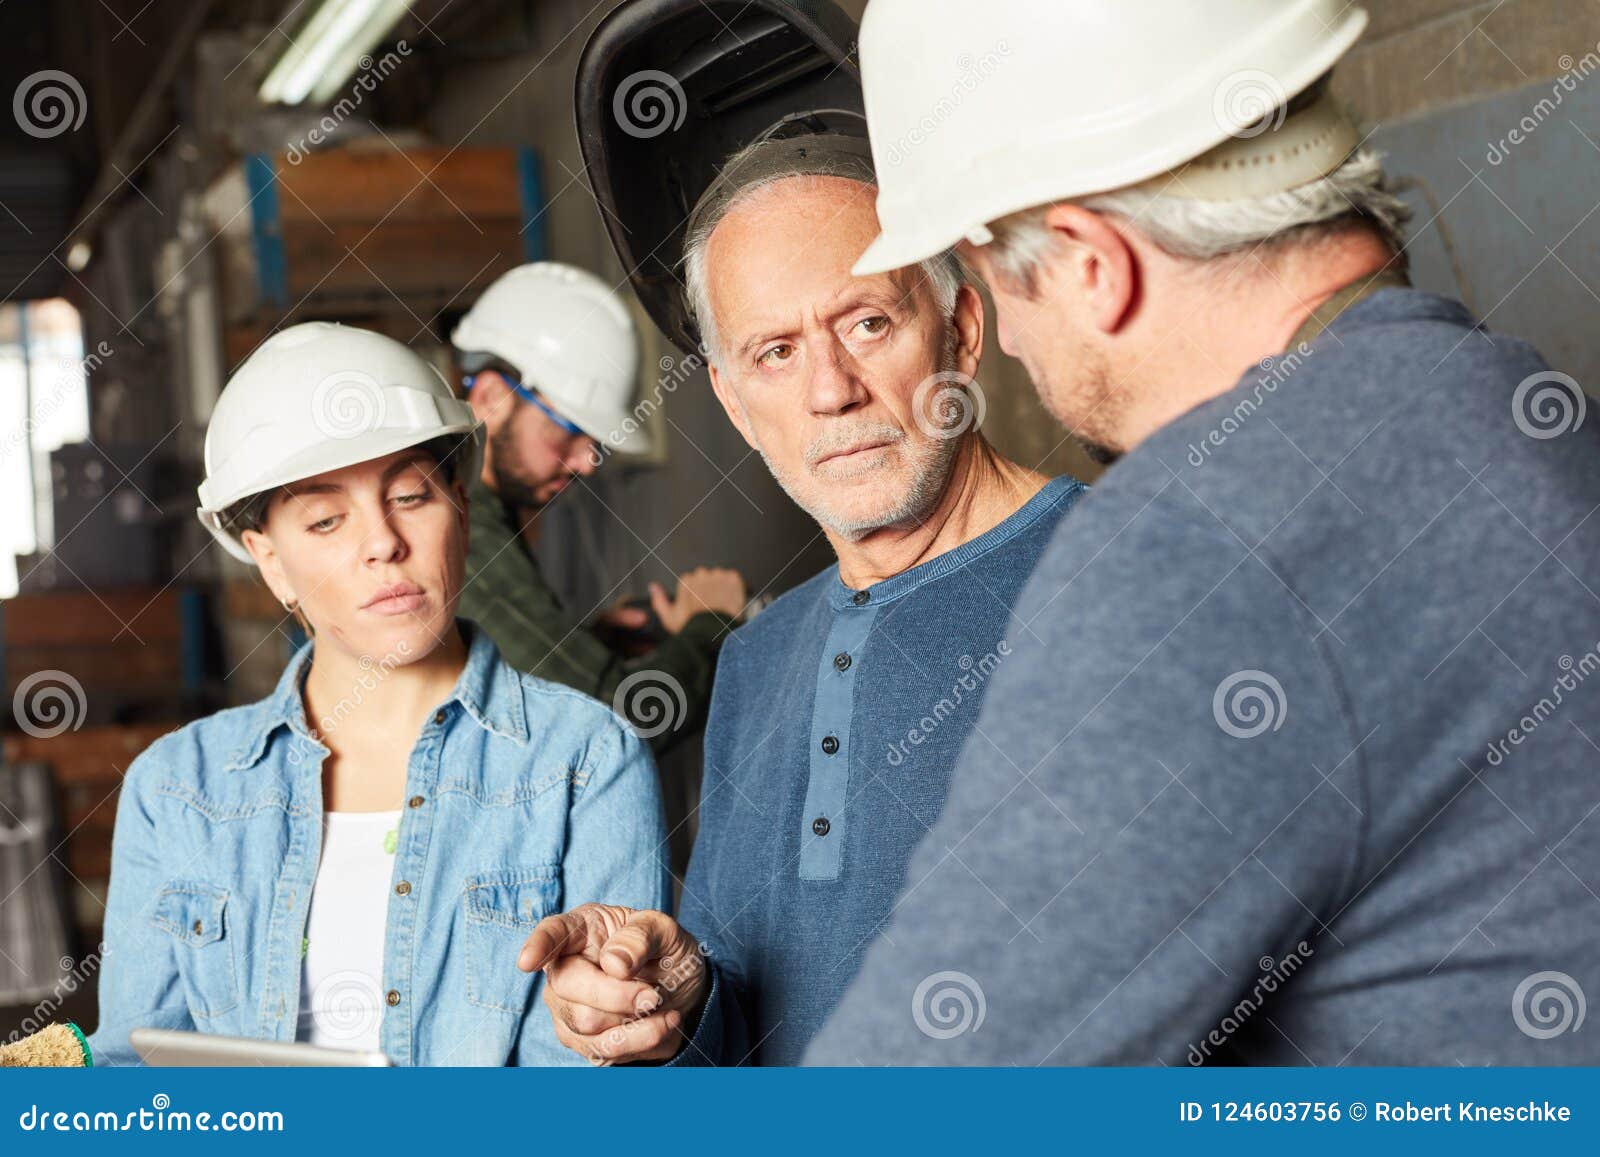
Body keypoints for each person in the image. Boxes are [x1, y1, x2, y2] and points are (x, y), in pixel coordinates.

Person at [803, 0, 1600, 1064]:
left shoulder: (1197, 542)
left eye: (991, 277)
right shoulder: (1527, 407)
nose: (1010, 351)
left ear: (1090, 263)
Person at [518, 132, 1086, 1064]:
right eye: (775, 351)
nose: (831, 389)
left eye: (867, 322)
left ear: (964, 332)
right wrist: (679, 996)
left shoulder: (1129, 583)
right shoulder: (757, 656)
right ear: (737, 404)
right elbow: (752, 999)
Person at [88, 322, 669, 1066]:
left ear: (460, 506)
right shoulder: (175, 790)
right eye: (327, 518)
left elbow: (595, 1080)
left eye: (409, 494)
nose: (382, 543)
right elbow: (134, 1068)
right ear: (270, 560)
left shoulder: (586, 760)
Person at [451, 262, 747, 752]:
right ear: (491, 397)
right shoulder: (465, 537)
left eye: (594, 442)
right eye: (567, 430)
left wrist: (585, 647)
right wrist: (711, 623)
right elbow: (621, 725)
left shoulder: (482, 523)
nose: (587, 463)